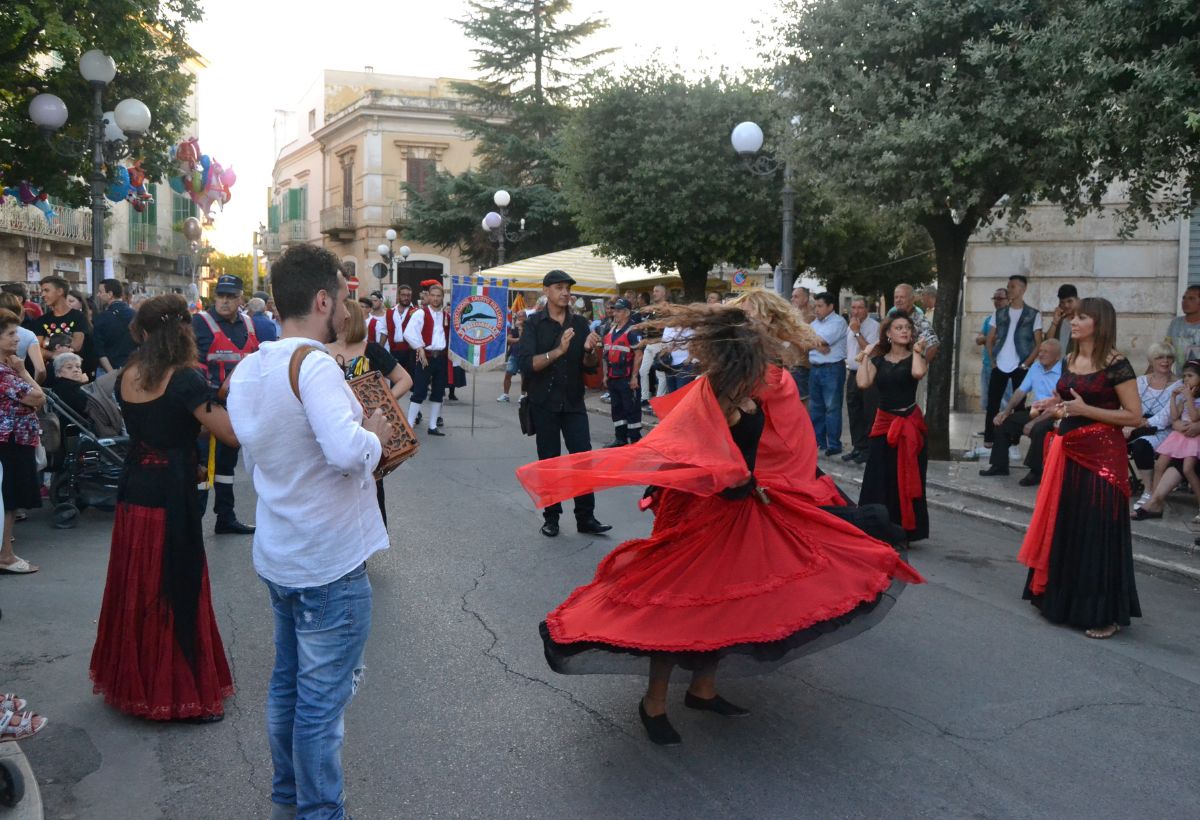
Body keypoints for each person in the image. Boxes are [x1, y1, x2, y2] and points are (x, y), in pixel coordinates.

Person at [515, 303, 922, 746]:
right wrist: (733, 479)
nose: (764, 359)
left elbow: (767, 445)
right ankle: (653, 702)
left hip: (740, 512)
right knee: (676, 605)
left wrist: (753, 481)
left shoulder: (750, 391)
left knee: (722, 604)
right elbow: (689, 453)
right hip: (705, 515)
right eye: (756, 351)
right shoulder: (713, 396)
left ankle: (702, 690)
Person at [227, 243, 392, 820]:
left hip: (280, 553)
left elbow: (256, 457)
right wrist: (372, 431)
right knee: (319, 707)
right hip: (328, 561)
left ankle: (288, 802)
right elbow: (349, 452)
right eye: (344, 297)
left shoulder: (251, 366)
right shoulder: (314, 363)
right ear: (323, 299)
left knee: (288, 690)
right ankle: (318, 812)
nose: (347, 308)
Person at [89, 294, 238, 720]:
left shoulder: (127, 375)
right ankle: (177, 693)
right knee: (177, 584)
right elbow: (229, 435)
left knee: (137, 586)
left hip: (135, 487)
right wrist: (229, 395)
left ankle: (133, 681)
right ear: (182, 332)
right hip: (172, 492)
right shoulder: (185, 379)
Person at [1018, 297, 1142, 639]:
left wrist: (1085, 410)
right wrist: (1052, 405)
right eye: (1074, 317)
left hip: (1102, 457)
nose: (1073, 322)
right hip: (1069, 449)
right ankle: (1064, 601)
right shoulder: (1071, 358)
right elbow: (1069, 402)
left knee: (1096, 530)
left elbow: (1134, 416)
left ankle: (1104, 613)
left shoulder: (1117, 363)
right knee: (1069, 525)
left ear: (1098, 324)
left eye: (1081, 317)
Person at [518, 269, 611, 538]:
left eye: (567, 288)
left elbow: (590, 368)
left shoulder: (580, 323)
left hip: (573, 401)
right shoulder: (534, 324)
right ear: (546, 291)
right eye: (559, 287)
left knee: (583, 459)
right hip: (544, 403)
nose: (565, 292)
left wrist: (590, 350)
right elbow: (528, 364)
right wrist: (558, 351)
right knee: (549, 461)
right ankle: (552, 517)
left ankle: (586, 517)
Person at [325, 298, 413, 526]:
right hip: (332, 425)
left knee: (370, 480)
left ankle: (367, 537)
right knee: (334, 483)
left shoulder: (371, 349)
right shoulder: (320, 350)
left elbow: (404, 379)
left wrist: (383, 403)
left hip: (367, 428)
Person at [192, 274, 258, 535]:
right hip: (208, 405)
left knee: (226, 465)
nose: (225, 301)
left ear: (240, 298)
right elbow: (192, 363)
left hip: (238, 406)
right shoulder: (201, 322)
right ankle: (193, 520)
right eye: (221, 296)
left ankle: (225, 517)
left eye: (231, 296)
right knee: (200, 463)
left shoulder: (249, 324)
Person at [856, 313, 931, 542]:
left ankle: (906, 529)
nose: (904, 331)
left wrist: (918, 352)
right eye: (898, 328)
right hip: (885, 424)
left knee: (908, 477)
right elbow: (862, 383)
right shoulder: (879, 360)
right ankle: (877, 526)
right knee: (879, 476)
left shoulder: (916, 357)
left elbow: (918, 373)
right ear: (888, 334)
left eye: (907, 327)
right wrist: (867, 356)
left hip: (909, 424)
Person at [978, 339, 1064, 483]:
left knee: (1038, 429)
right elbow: (1020, 392)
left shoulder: (1064, 372)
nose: (1040, 354)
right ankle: (999, 466)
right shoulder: (1036, 367)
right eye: (1040, 351)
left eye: (1045, 352)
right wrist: (1005, 412)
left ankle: (1036, 472)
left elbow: (1060, 405)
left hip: (1056, 413)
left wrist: (1033, 422)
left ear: (1056, 357)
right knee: (1003, 423)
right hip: (1037, 410)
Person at [0, 310, 45, 575]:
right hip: (11, 441)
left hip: (13, 439)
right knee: (10, 499)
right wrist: (23, 371)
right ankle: (5, 554)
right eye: (10, 334)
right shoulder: (5, 373)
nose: (17, 338)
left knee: (9, 499)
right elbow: (37, 398)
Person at [979, 275, 1043, 457]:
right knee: (992, 404)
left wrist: (1026, 364)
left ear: (1022, 290)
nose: (1010, 290)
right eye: (1008, 286)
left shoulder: (1033, 314)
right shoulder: (999, 313)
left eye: (1013, 287)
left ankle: (1014, 443)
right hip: (1000, 364)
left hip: (1020, 365)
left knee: (1019, 406)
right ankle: (989, 441)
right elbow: (990, 337)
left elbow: (1039, 343)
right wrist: (992, 361)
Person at [1133, 360, 1200, 524]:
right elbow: (1174, 416)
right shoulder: (1187, 395)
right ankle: (1155, 502)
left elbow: (1195, 416)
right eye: (1184, 376)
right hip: (1181, 437)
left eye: (1190, 376)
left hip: (1193, 440)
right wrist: (1174, 397)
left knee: (1188, 468)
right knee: (1160, 464)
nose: (1185, 380)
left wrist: (1189, 398)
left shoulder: (1193, 398)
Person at [1127, 344, 1179, 509]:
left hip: (1163, 431)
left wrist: (1135, 425)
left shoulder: (1179, 384)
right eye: (1159, 357)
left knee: (1141, 445)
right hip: (1135, 426)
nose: (1165, 361)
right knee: (1108, 439)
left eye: (1168, 357)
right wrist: (1126, 424)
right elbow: (1129, 405)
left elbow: (1166, 417)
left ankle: (1148, 491)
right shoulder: (1140, 381)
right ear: (1151, 360)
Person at [403, 279, 450, 437]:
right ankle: (409, 425)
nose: (436, 299)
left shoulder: (446, 316)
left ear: (442, 297)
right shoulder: (421, 313)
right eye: (433, 295)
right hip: (425, 356)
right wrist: (419, 348)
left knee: (438, 391)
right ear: (428, 296)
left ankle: (432, 425)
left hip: (441, 357)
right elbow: (409, 333)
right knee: (419, 390)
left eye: (439, 296)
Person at [808, 292, 848, 456]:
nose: (816, 310)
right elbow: (803, 339)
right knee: (816, 408)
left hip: (832, 369)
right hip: (815, 368)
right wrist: (817, 345)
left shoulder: (838, 322)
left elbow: (823, 340)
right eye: (815, 306)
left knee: (832, 408)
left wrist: (815, 342)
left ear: (830, 307)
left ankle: (833, 444)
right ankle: (818, 442)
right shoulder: (814, 323)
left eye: (820, 306)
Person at [600, 298, 643, 447]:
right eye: (614, 310)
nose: (615, 313)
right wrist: (605, 375)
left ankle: (635, 440)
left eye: (618, 310)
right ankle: (620, 439)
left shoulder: (633, 330)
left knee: (631, 409)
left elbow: (638, 354)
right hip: (613, 377)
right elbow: (605, 354)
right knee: (617, 409)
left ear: (627, 312)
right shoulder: (610, 330)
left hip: (627, 378)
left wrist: (634, 377)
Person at [843, 297, 880, 464]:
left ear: (867, 310)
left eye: (859, 308)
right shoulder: (850, 326)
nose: (856, 311)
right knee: (854, 410)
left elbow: (870, 351)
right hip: (852, 372)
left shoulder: (874, 327)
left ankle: (869, 449)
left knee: (868, 411)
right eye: (853, 307)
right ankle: (858, 446)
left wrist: (858, 332)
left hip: (867, 374)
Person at [975, 288, 1011, 426]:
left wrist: (987, 339)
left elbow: (1002, 339)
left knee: (1004, 403)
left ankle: (1003, 432)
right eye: (995, 298)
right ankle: (990, 430)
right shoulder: (990, 319)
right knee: (988, 402)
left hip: (1004, 368)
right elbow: (979, 339)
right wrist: (988, 338)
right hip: (987, 365)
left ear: (1009, 300)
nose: (997, 301)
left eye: (1000, 298)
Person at [0, 292, 45, 384]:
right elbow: (40, 370)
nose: (17, 338)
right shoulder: (28, 334)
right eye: (11, 334)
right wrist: (33, 386)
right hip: (19, 387)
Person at [92, 279, 136, 372]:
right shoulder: (135, 314)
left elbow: (100, 351)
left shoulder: (101, 318)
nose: (98, 295)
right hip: (131, 367)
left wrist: (111, 373)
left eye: (100, 292)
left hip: (108, 369)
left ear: (110, 294)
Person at [36, 276, 85, 359]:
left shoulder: (78, 317)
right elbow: (36, 349)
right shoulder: (41, 320)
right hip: (50, 369)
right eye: (42, 291)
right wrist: (53, 355)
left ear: (60, 291)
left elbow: (76, 346)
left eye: (46, 290)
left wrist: (50, 341)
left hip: (74, 368)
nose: (42, 294)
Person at [637, 285, 670, 406]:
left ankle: (659, 399)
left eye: (657, 291)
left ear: (664, 293)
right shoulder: (653, 309)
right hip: (649, 343)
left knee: (660, 374)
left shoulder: (666, 308)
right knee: (643, 371)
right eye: (653, 291)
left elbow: (664, 325)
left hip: (659, 343)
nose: (654, 293)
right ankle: (644, 397)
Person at [1166, 285, 1200, 372]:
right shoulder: (1175, 323)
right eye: (1184, 298)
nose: (1185, 302)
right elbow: (1166, 349)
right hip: (1182, 379)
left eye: (1191, 298)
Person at [498, 310, 526, 403]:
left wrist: (520, 330)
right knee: (508, 374)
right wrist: (518, 339)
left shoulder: (529, 327)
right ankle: (505, 395)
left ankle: (523, 395)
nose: (519, 319)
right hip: (514, 354)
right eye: (518, 317)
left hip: (524, 355)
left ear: (525, 318)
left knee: (524, 376)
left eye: (521, 316)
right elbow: (508, 339)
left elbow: (524, 340)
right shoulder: (514, 328)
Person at [1045, 284, 1080, 351]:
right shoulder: (1060, 321)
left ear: (1078, 300)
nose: (1066, 305)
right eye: (1062, 302)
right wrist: (1055, 322)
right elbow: (1047, 342)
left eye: (1070, 301)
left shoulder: (1084, 321)